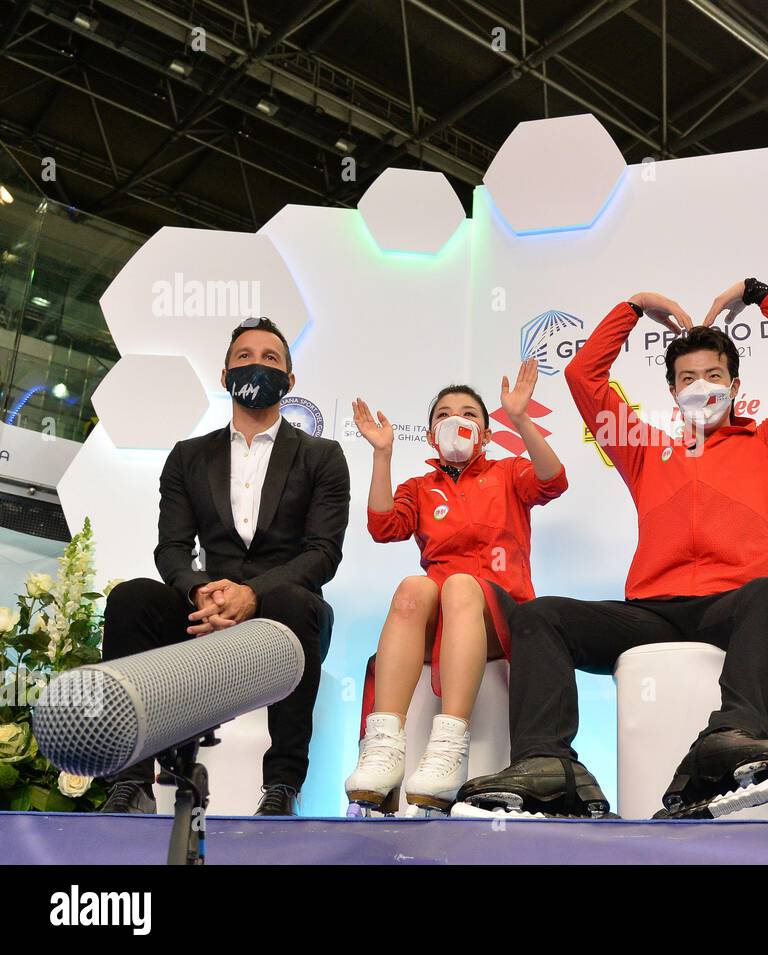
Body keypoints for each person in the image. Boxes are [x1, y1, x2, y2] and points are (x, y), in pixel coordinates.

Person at [455, 277, 768, 819]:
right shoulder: (644, 450)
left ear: (734, 383)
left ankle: (729, 739)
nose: (700, 385)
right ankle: (549, 765)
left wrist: (756, 294)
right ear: (671, 390)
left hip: (734, 608)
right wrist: (636, 306)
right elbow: (583, 376)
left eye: (712, 375)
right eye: (687, 377)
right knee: (541, 616)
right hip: (651, 613)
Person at [98, 316, 350, 816]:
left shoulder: (322, 455)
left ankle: (282, 787)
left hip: (286, 611)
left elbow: (323, 553)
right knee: (132, 598)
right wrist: (201, 591)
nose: (257, 365)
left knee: (291, 600)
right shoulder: (189, 456)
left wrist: (251, 595)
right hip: (206, 604)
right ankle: (131, 781)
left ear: (290, 381)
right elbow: (171, 548)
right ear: (224, 375)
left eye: (271, 358)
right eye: (245, 357)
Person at [344, 361, 568, 814]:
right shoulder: (420, 487)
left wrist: (520, 420)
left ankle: (448, 747)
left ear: (485, 434)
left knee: (461, 586)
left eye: (469, 414)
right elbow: (384, 526)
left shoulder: (507, 473)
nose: (455, 421)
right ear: (430, 435)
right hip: (441, 618)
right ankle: (385, 748)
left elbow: (553, 481)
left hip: (501, 615)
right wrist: (382, 454)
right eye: (444, 415)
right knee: (413, 586)